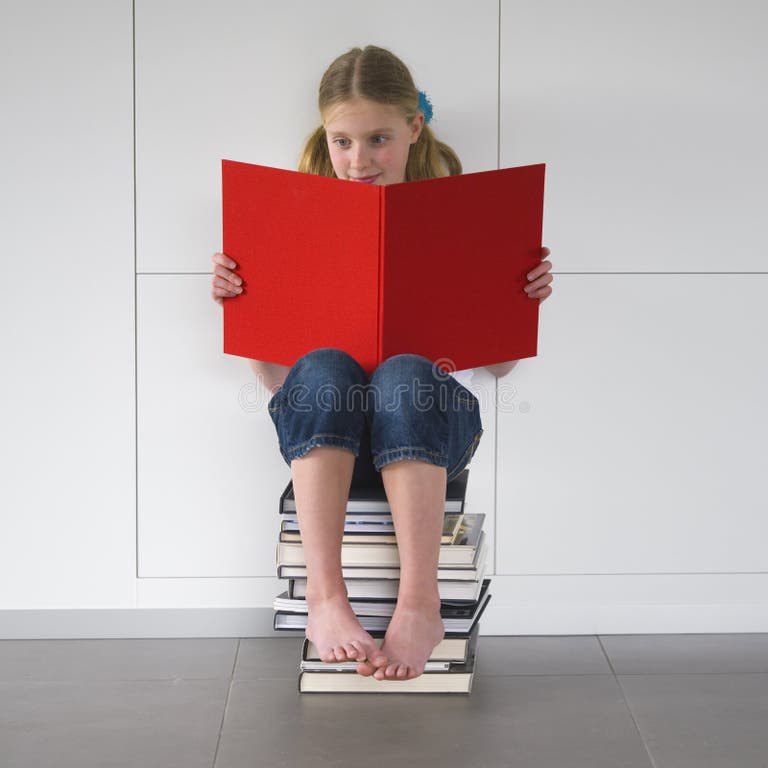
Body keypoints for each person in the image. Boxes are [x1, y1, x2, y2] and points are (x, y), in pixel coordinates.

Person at [211, 45, 553, 681]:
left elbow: (498, 370)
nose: (358, 160)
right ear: (325, 135)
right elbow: (280, 381)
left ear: (413, 129)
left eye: (378, 139)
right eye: (341, 141)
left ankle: (420, 604)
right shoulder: (296, 215)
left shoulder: (462, 217)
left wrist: (518, 299)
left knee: (402, 371)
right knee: (325, 366)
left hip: (428, 424)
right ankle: (325, 595)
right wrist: (245, 305)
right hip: (325, 430)